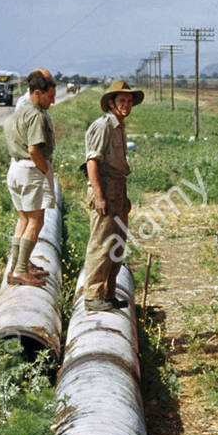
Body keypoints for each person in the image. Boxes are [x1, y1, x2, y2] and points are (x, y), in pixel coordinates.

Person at [81, 78, 142, 311]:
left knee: (117, 244)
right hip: (105, 188)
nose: (126, 104)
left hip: (118, 188)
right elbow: (92, 162)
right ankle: (93, 295)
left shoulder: (119, 126)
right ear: (111, 103)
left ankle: (108, 292)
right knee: (101, 243)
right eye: (122, 100)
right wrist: (99, 196)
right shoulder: (103, 125)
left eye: (129, 101)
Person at [3, 68, 58, 287]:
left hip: (15, 168)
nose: (52, 102)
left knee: (24, 219)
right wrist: (45, 170)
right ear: (37, 92)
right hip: (30, 170)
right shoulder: (35, 115)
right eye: (50, 97)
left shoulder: (19, 111)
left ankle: (19, 265)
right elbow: (35, 149)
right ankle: (20, 271)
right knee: (36, 220)